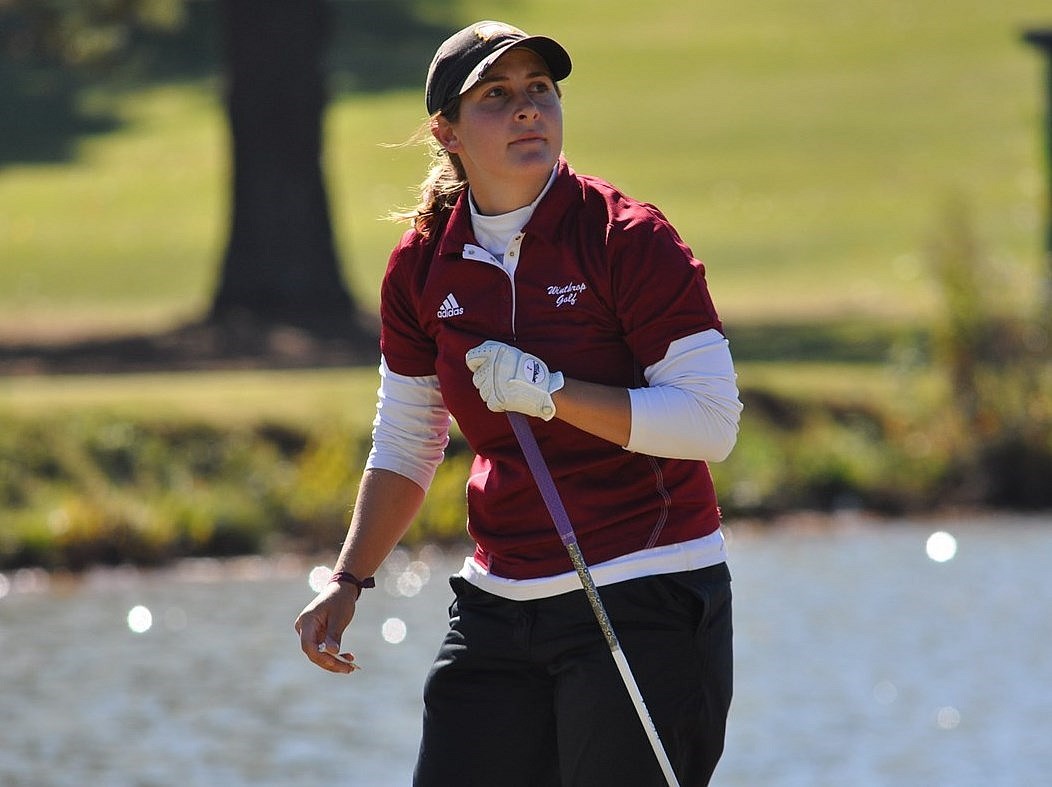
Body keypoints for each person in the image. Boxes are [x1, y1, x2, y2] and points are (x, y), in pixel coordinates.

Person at [295, 19, 743, 787]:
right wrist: (347, 579)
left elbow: (711, 422)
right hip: (500, 606)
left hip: (645, 592)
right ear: (448, 132)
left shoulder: (625, 238)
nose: (528, 109)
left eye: (540, 90)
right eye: (497, 96)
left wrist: (554, 395)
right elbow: (407, 440)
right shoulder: (423, 263)